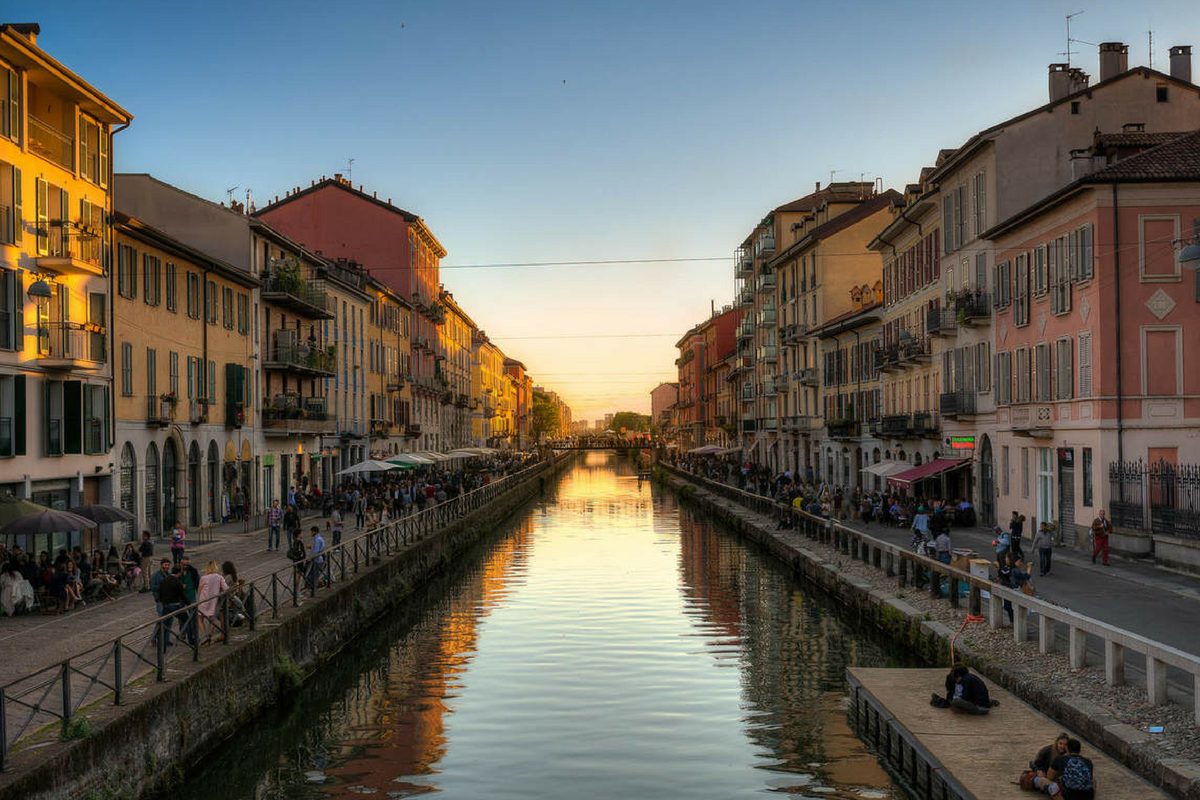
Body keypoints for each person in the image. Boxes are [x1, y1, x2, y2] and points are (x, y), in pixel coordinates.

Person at [196, 561, 229, 644]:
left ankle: (205, 636)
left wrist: (198, 599)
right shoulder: (219, 577)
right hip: (213, 601)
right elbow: (226, 588)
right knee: (212, 619)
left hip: (204, 600)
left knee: (199, 619)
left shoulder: (203, 578)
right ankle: (209, 635)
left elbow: (199, 589)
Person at [307, 525, 325, 592]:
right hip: (319, 559)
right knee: (315, 574)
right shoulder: (320, 538)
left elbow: (316, 551)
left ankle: (314, 588)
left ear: (315, 532)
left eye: (311, 532)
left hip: (316, 560)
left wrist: (310, 558)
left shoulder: (317, 539)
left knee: (314, 574)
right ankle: (314, 587)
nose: (311, 533)